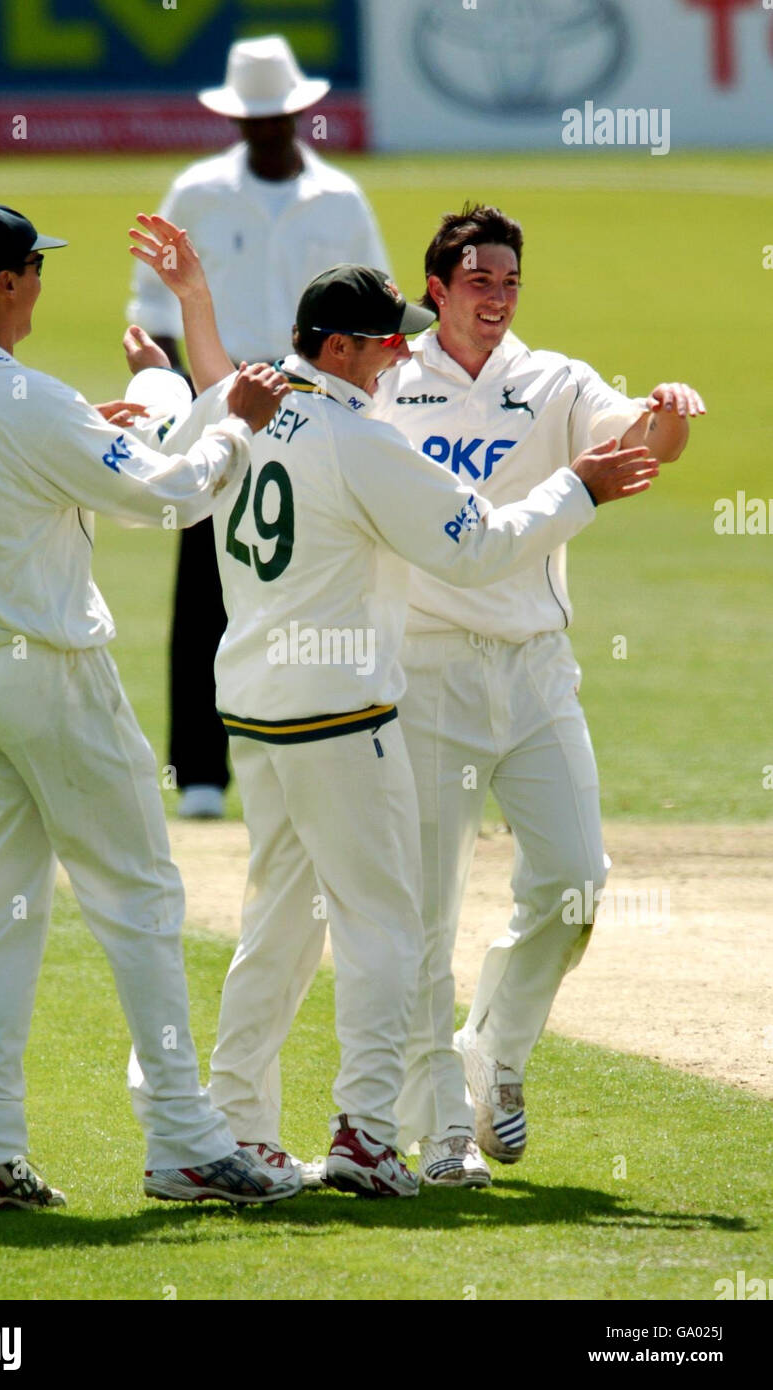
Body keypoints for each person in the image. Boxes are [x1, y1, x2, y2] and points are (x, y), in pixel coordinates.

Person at [122, 213, 658, 1196]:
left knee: (278, 925)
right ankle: (368, 1133)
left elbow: (171, 462)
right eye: (384, 342)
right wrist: (577, 489)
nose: (401, 355)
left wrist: (155, 376)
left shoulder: (241, 400)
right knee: (381, 923)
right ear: (337, 348)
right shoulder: (356, 436)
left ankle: (237, 1122)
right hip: (340, 716)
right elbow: (479, 545)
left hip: (252, 710)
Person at [0, 202, 299, 1210]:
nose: (41, 282)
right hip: (51, 674)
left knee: (3, 913)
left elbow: (16, 474)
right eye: (34, 267)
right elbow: (173, 499)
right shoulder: (27, 400)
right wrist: (232, 424)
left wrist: (94, 432)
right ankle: (187, 1143)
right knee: (142, 898)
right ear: (10, 282)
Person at [369, 203, 705, 1182]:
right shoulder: (392, 382)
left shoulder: (551, 380)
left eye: (511, 282)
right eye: (480, 282)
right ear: (438, 288)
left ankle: (496, 1055)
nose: (499, 299)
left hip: (536, 669)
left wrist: (670, 412)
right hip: (427, 668)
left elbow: (647, 441)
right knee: (428, 909)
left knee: (571, 885)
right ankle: (438, 1131)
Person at [126, 34, 390, 820]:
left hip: (318, 405)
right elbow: (151, 313)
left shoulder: (340, 198)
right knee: (204, 587)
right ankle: (200, 772)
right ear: (237, 120)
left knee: (309, 575)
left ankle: (299, 746)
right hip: (224, 396)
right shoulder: (199, 191)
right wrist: (196, 408)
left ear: (299, 113)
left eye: (279, 115)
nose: (268, 128)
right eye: (255, 117)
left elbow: (375, 307)